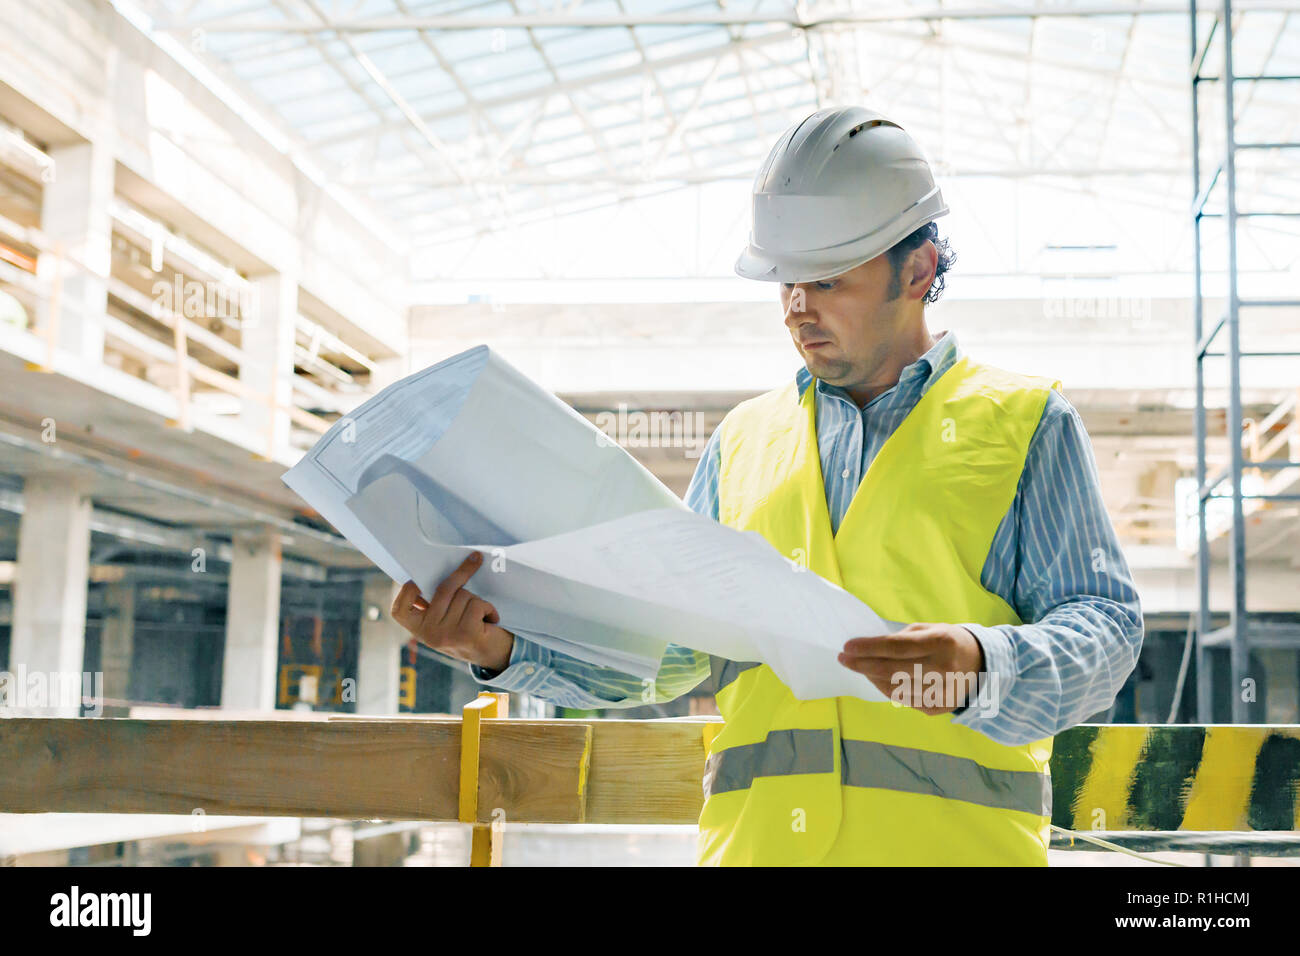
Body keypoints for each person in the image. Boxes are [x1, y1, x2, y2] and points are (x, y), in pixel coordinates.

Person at [389, 106, 1143, 866]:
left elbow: (1107, 632)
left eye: (825, 279)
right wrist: (505, 645)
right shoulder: (742, 441)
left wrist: (983, 668)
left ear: (915, 271)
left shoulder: (1026, 425)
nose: (796, 308)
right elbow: (675, 652)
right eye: (785, 280)